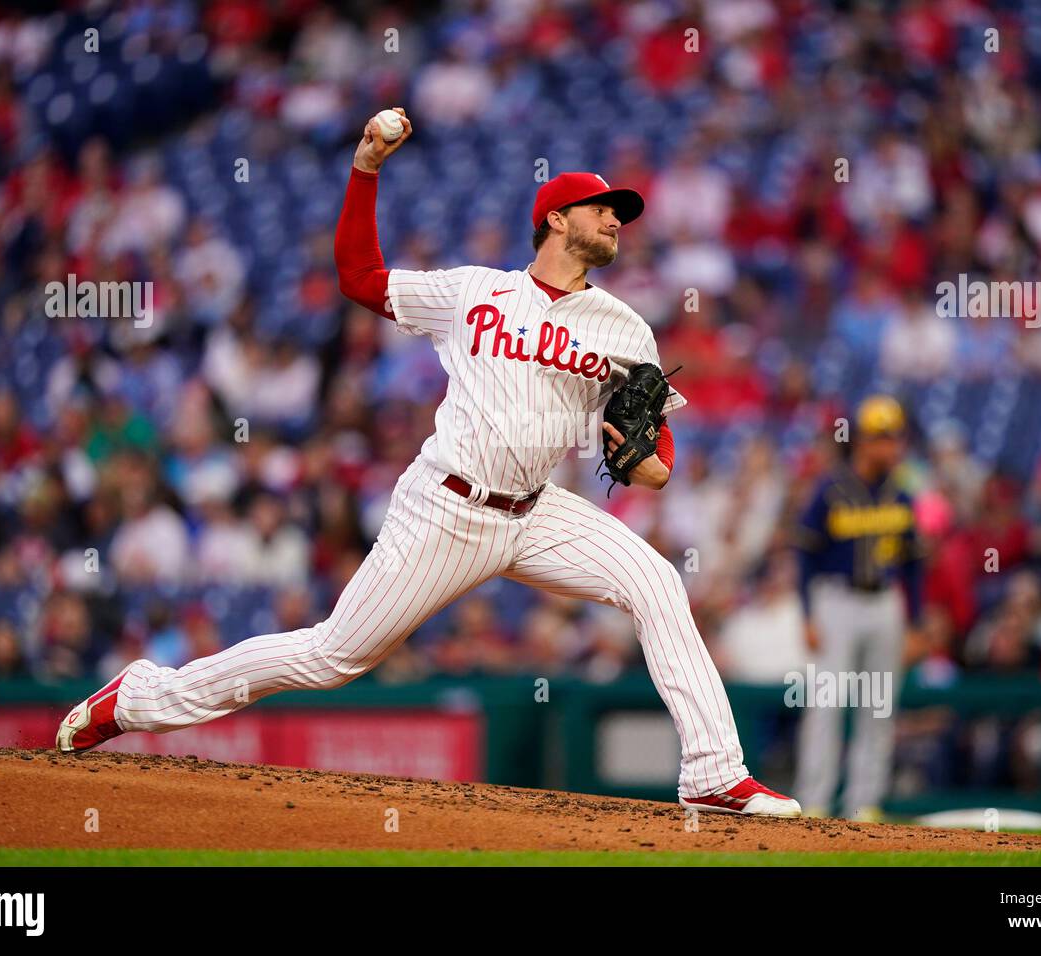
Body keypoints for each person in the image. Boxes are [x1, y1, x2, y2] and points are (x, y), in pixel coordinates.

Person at [56, 107, 801, 818]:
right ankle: (139, 700)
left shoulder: (625, 327)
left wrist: (649, 467)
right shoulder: (474, 292)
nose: (616, 219)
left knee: (656, 581)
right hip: (446, 506)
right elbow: (359, 277)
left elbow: (656, 459)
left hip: (536, 511)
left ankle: (713, 774)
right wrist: (366, 170)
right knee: (330, 657)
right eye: (602, 207)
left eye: (621, 212)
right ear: (554, 218)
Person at [792, 395, 921, 821]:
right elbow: (805, 557)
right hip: (837, 602)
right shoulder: (830, 490)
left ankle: (865, 801)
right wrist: (808, 614)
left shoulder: (900, 494)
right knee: (827, 704)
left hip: (885, 602)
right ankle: (815, 800)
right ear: (862, 441)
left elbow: (913, 564)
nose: (891, 447)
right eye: (882, 438)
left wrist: (915, 622)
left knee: (878, 706)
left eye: (895, 437)